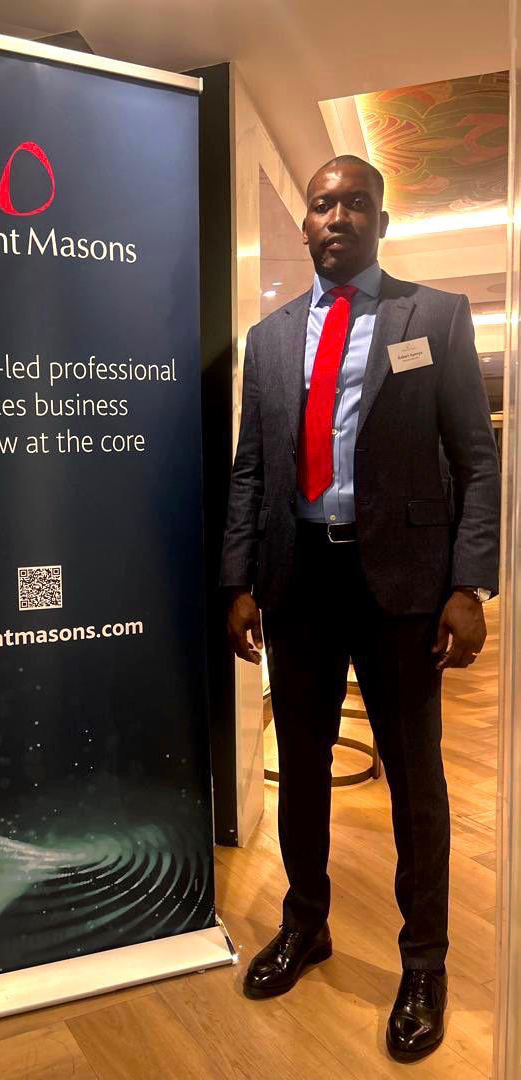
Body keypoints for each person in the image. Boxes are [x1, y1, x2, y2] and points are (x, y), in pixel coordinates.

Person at [220, 154, 500, 1064]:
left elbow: (477, 459)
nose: (336, 216)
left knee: (417, 782)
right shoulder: (268, 340)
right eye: (321, 203)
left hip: (404, 590)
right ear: (305, 223)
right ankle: (307, 922)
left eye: (355, 203)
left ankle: (424, 963)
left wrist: (469, 585)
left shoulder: (436, 317)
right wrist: (237, 580)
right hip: (297, 579)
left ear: (382, 221)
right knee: (299, 767)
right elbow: (251, 469)